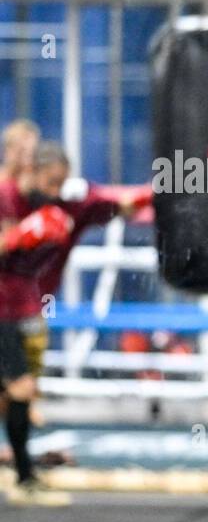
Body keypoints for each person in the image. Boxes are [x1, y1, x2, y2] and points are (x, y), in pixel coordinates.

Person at [0, 140, 148, 503]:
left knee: (19, 393)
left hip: (28, 311)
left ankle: (24, 475)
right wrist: (23, 234)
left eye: (60, 184)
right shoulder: (6, 196)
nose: (53, 192)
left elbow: (124, 207)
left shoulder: (70, 204)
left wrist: (168, 190)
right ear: (30, 171)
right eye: (49, 182)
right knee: (18, 389)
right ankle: (25, 479)